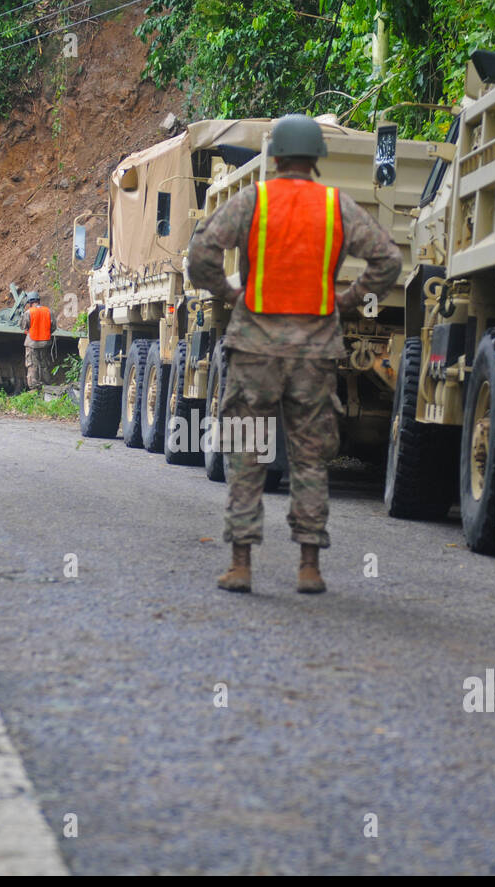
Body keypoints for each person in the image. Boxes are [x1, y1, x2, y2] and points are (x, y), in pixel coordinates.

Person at [187, 114, 402, 594]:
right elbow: (388, 259)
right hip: (315, 351)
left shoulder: (252, 201)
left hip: (254, 349)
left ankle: (241, 564)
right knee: (310, 458)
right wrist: (345, 301)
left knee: (248, 451)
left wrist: (227, 292)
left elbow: (200, 253)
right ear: (316, 162)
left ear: (277, 157)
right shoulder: (335, 206)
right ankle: (309, 567)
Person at [24, 292, 53, 391]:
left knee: (32, 365)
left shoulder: (29, 312)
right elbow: (53, 326)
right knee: (44, 364)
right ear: (38, 300)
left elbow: (24, 326)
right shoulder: (48, 311)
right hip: (45, 342)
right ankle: (47, 386)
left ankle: (34, 387)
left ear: (30, 302)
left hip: (32, 343)